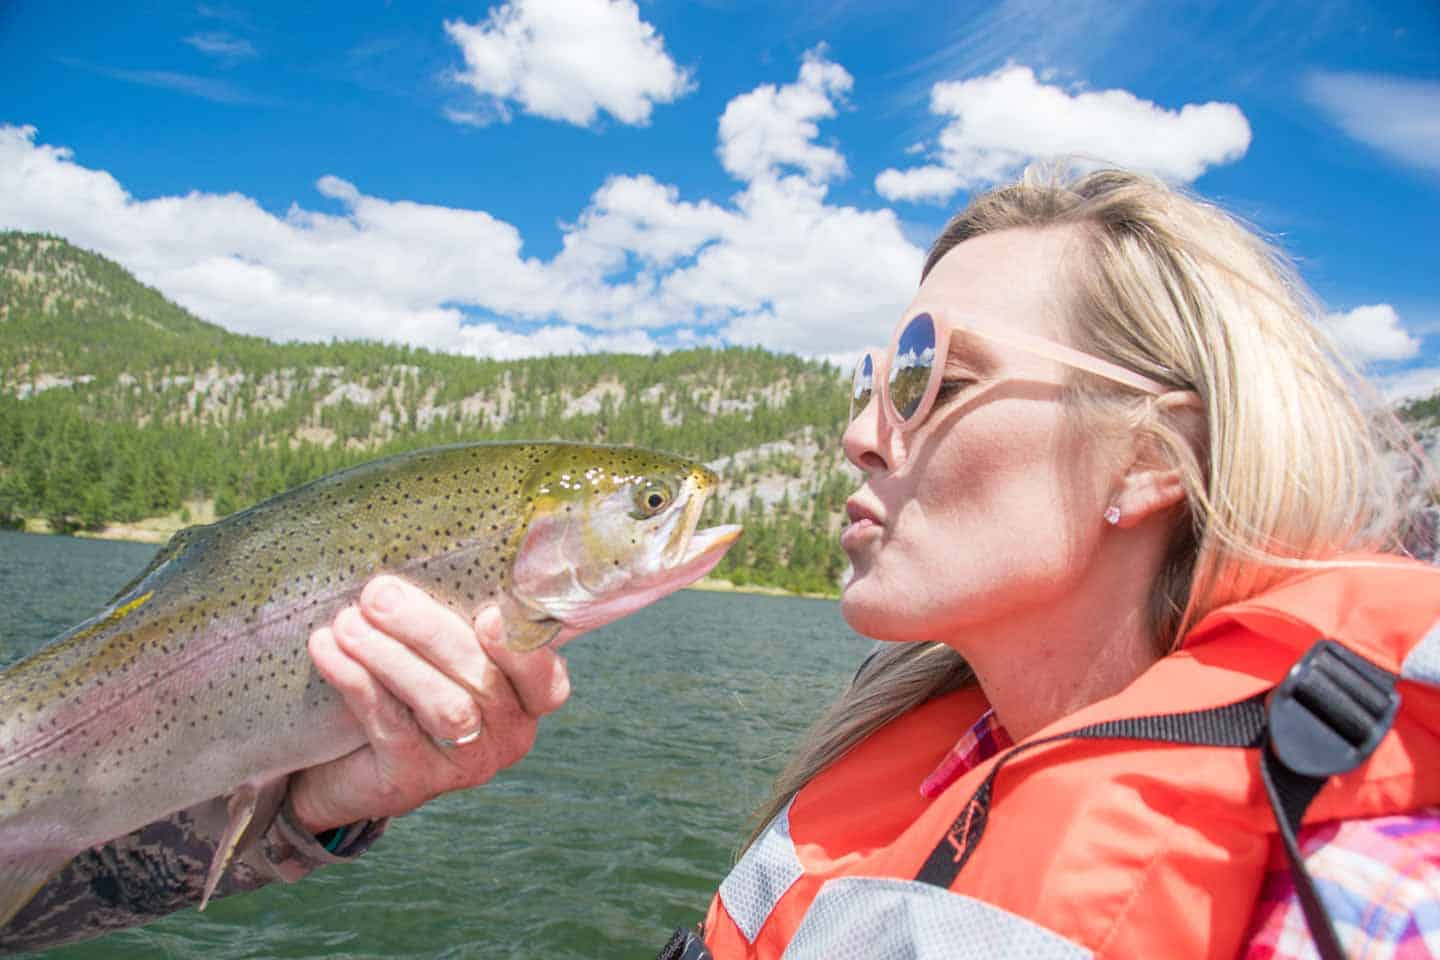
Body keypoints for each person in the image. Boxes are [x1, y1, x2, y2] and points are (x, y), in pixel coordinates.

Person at [5, 166, 1439, 959]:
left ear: (1147, 460)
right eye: (872, 370)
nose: (857, 430)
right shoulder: (901, 770)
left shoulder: (1370, 870)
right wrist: (310, 799)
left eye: (934, 376)